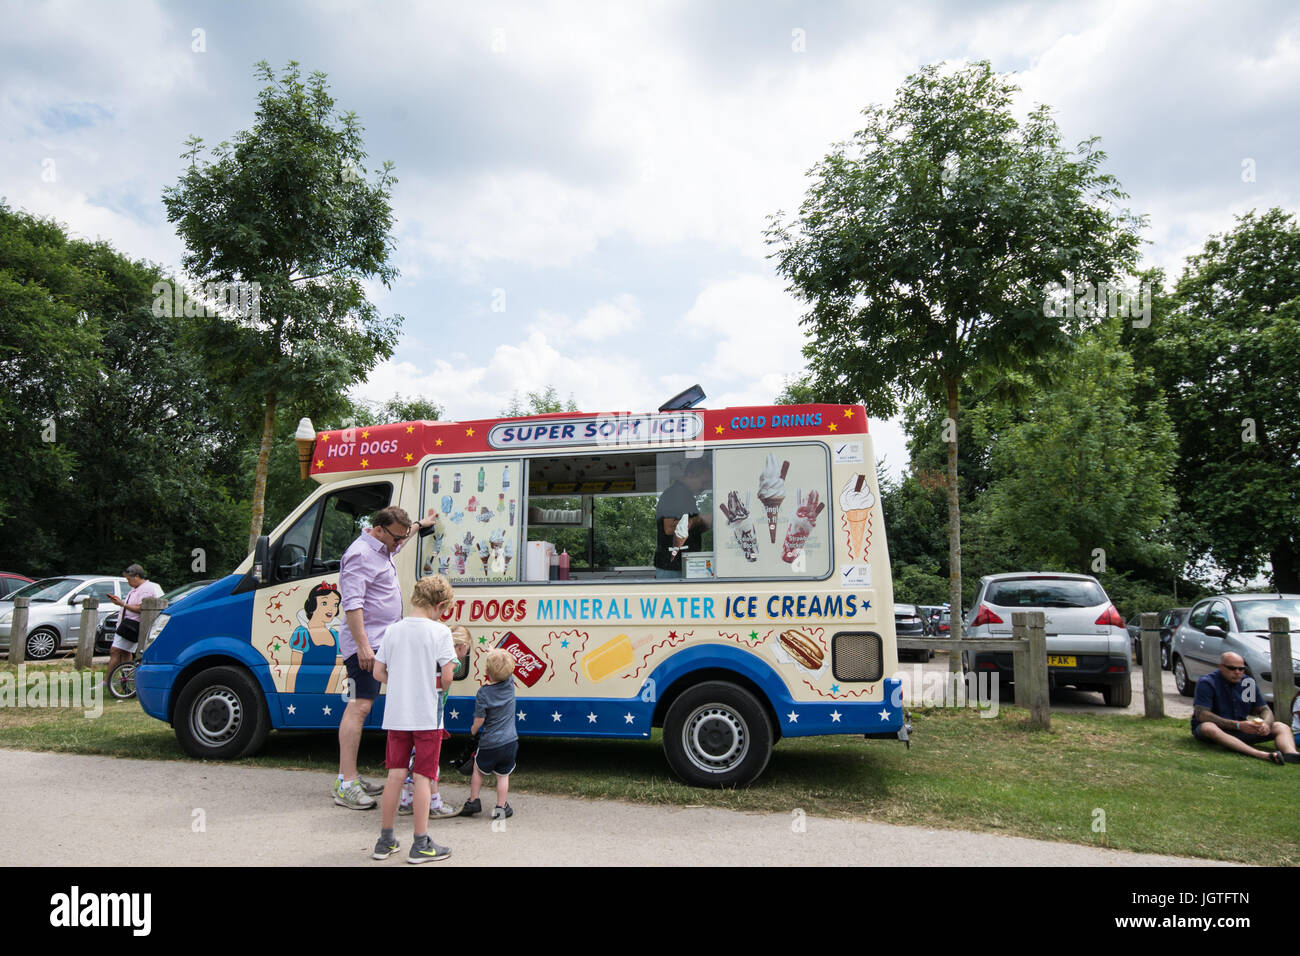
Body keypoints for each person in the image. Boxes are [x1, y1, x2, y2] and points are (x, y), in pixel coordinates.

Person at [335, 505, 438, 810]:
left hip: (383, 642)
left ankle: (350, 775)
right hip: (367, 646)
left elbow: (402, 540)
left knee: (370, 705)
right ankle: (346, 783)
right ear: (378, 529)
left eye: (401, 538)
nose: (398, 544)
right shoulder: (360, 555)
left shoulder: (382, 549)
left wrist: (420, 525)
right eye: (396, 538)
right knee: (359, 706)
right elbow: (352, 604)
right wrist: (364, 646)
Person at [371, 574, 458, 863]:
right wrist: (431, 687)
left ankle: (385, 840)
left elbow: (378, 672)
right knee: (423, 776)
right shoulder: (441, 632)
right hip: (427, 717)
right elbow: (447, 677)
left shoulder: (392, 631)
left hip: (396, 715)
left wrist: (401, 683)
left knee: (395, 774)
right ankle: (420, 843)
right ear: (440, 605)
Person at [397, 625, 471, 818]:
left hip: (413, 709)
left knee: (413, 755)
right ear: (462, 647)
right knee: (430, 758)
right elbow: (450, 672)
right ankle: (434, 803)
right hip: (432, 713)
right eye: (467, 649)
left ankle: (406, 800)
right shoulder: (454, 660)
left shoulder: (429, 656)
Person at [1191, 651, 1300, 764]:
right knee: (1208, 727)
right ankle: (1262, 755)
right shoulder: (1207, 682)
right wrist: (1238, 725)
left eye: (1241, 669)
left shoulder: (1248, 683)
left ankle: (1292, 755)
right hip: (1216, 730)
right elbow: (1202, 715)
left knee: (1281, 726)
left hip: (1241, 729)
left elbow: (1264, 709)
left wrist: (1265, 724)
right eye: (1232, 668)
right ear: (1221, 667)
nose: (1237, 672)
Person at [458, 648, 518, 819]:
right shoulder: (510, 685)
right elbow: (509, 663)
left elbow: (479, 720)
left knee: (478, 770)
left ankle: (473, 801)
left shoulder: (483, 693)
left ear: (486, 672)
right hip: (510, 742)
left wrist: (473, 730)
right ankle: (501, 807)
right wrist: (496, 652)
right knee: (503, 776)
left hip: (490, 743)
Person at [653, 457, 712, 579]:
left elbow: (688, 528)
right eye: (703, 482)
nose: (704, 487)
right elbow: (669, 527)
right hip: (673, 567)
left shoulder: (685, 496)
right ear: (690, 475)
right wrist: (704, 519)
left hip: (680, 565)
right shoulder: (676, 493)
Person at [105, 565, 163, 679]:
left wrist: (121, 604)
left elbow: (141, 608)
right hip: (126, 624)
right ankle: (126, 680)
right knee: (126, 653)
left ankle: (106, 681)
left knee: (115, 651)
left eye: (128, 579)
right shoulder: (136, 588)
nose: (128, 582)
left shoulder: (146, 589)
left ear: (136, 576)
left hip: (132, 626)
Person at [284, 582, 343, 694]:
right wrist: (289, 695)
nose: (331, 609)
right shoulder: (302, 634)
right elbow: (293, 670)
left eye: (335, 604)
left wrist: (328, 695)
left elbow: (337, 670)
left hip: (327, 694)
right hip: (301, 690)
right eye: (324, 603)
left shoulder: (336, 636)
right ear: (312, 606)